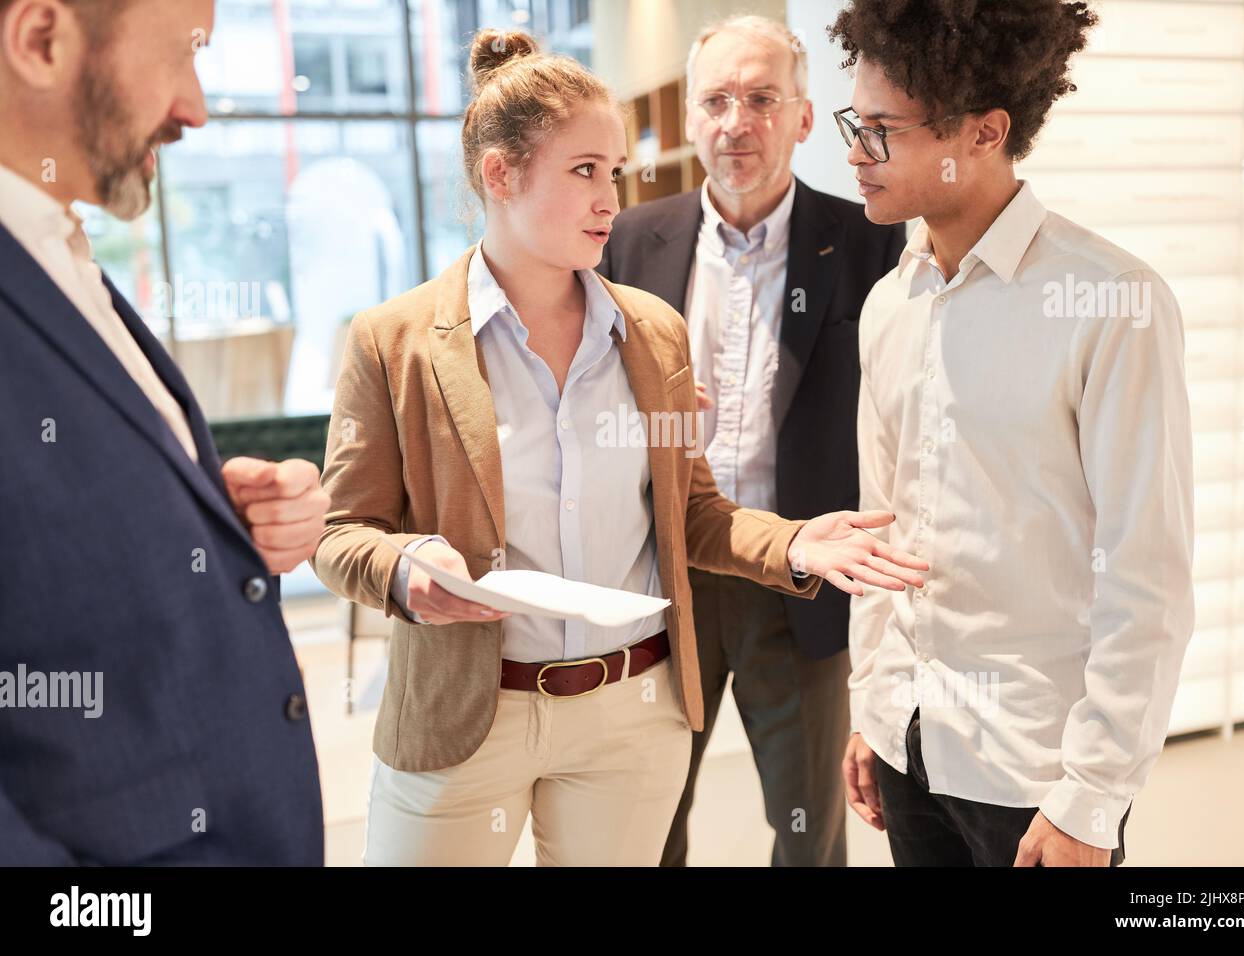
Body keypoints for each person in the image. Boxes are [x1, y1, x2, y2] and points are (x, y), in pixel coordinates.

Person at [310, 28, 928, 867]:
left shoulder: (650, 334)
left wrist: (794, 541)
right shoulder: (395, 340)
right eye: (583, 172)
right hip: (463, 714)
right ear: (501, 174)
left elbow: (695, 513)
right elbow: (342, 534)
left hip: (629, 720)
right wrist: (404, 568)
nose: (611, 198)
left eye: (612, 172)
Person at [832, 0, 1195, 866]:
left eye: (881, 129)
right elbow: (878, 524)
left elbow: (1148, 576)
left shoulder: (1114, 304)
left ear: (984, 132)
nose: (855, 152)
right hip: (907, 743)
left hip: (1036, 773)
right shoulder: (891, 301)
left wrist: (1092, 799)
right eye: (856, 121)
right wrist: (871, 705)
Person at [0, 0, 329, 864]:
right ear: (41, 41)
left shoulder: (60, 253)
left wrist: (209, 518)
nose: (196, 107)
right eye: (183, 56)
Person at [598, 14, 906, 867]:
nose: (737, 122)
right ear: (692, 118)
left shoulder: (872, 242)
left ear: (804, 119)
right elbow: (580, 407)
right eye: (718, 100)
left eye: (763, 99)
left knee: (808, 832)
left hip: (802, 579)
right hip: (663, 578)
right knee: (646, 823)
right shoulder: (626, 241)